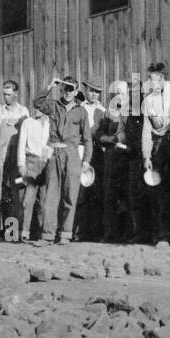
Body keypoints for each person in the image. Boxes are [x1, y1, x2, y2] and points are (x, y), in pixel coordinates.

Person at [31, 74, 92, 245]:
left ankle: (66, 233)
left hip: (72, 154)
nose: (67, 92)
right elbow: (37, 102)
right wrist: (50, 86)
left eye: (71, 89)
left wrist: (86, 160)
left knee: (70, 195)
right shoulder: (53, 106)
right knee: (51, 195)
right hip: (55, 153)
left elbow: (87, 138)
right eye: (65, 88)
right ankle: (48, 235)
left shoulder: (81, 112)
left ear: (76, 91)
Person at [141, 61, 170, 244]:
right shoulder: (148, 101)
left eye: (151, 78)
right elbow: (147, 130)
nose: (149, 81)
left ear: (160, 78)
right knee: (161, 192)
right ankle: (164, 235)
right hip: (160, 147)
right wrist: (146, 155)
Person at [0, 81, 28, 237]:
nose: (5, 97)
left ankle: (12, 232)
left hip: (15, 157)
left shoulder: (23, 111)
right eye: (4, 94)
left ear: (16, 94)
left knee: (15, 194)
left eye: (9, 94)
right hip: (0, 156)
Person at [98, 80, 134, 243]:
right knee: (110, 196)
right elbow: (99, 135)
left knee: (128, 196)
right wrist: (109, 139)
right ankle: (110, 233)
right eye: (116, 93)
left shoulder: (133, 111)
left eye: (122, 92)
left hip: (127, 157)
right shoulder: (109, 112)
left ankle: (129, 232)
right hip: (112, 158)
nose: (119, 96)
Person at [74, 81, 107, 241]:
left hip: (97, 152)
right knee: (81, 192)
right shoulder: (79, 108)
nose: (94, 94)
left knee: (96, 192)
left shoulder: (103, 111)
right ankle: (79, 232)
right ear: (86, 91)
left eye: (97, 92)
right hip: (81, 151)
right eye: (91, 91)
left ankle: (95, 232)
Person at [15, 104, 51, 242]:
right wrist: (21, 165)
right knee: (27, 200)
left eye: (41, 107)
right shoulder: (27, 123)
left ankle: (41, 232)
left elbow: (50, 144)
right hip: (30, 162)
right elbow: (21, 145)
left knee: (43, 200)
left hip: (45, 163)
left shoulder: (49, 123)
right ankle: (24, 231)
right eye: (35, 107)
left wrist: (47, 159)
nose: (37, 110)